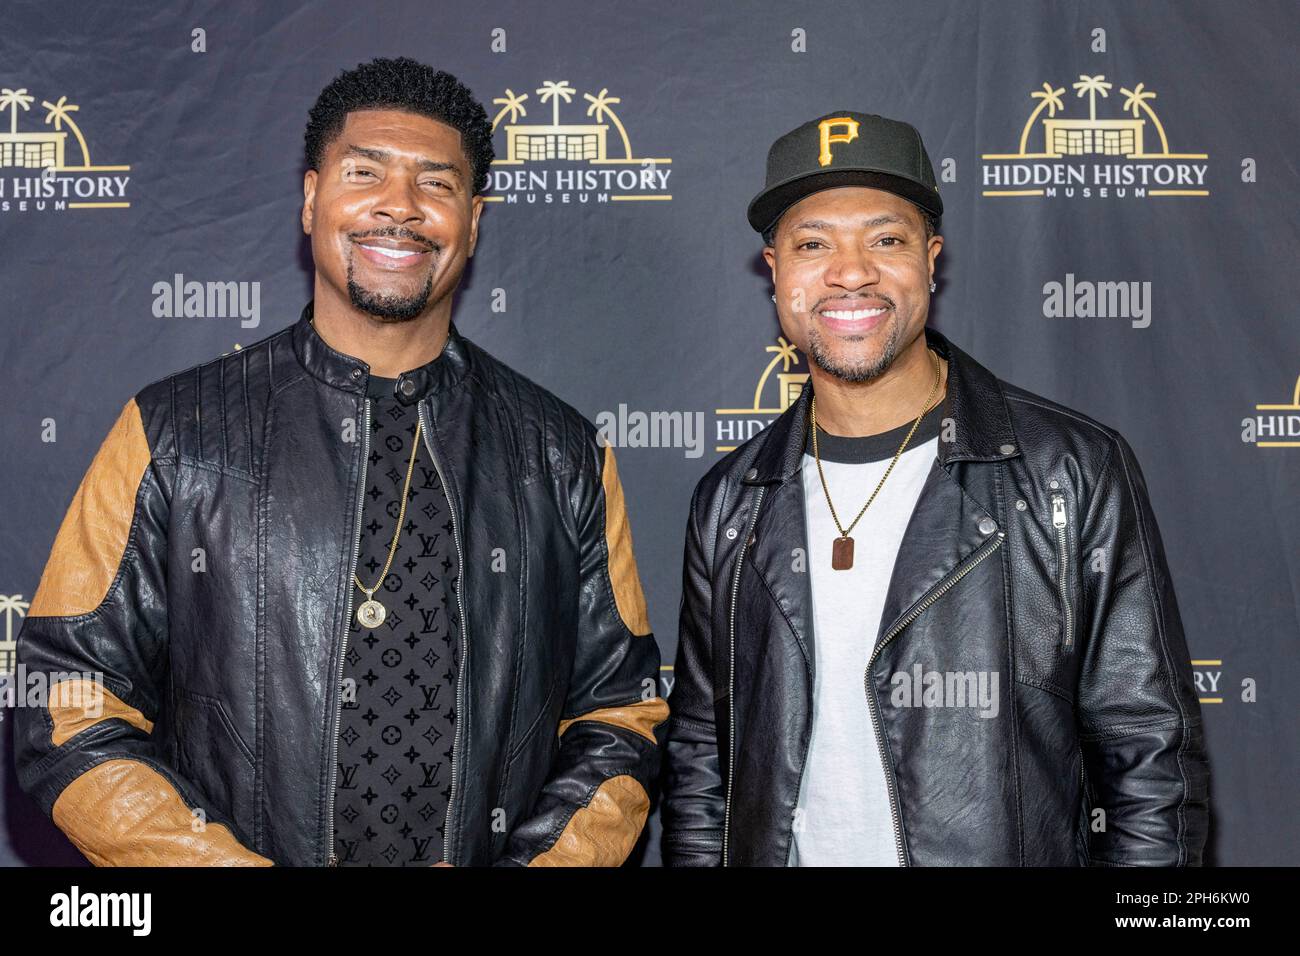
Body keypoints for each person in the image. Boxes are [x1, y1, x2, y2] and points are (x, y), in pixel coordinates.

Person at [13, 56, 667, 867]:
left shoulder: (558, 450)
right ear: (312, 199)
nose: (400, 206)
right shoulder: (173, 429)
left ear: (474, 217)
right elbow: (68, 702)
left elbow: (620, 717)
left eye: (437, 183)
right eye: (367, 174)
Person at [661, 110, 1209, 866]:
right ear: (775, 271)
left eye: (885, 240)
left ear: (931, 259)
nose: (850, 271)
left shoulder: (1068, 468)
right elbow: (702, 761)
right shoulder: (730, 499)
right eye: (813, 243)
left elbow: (1150, 759)